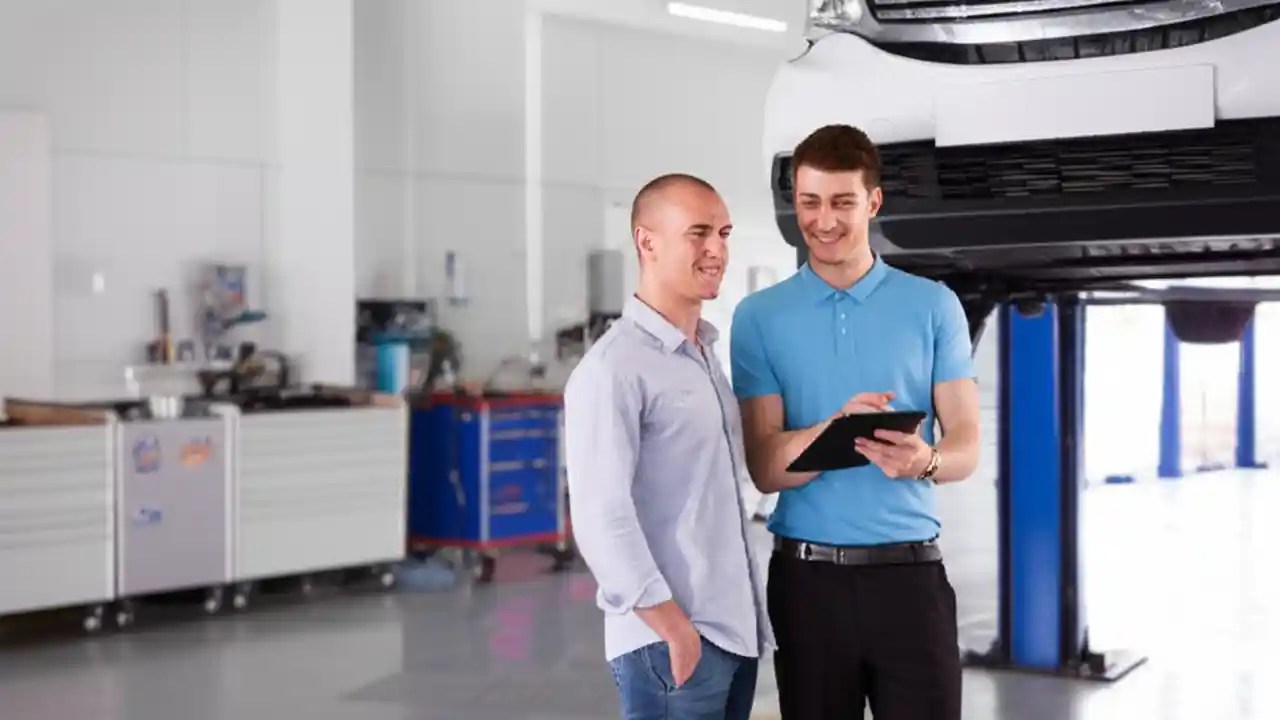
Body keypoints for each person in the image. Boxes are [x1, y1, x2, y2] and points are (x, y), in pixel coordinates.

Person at [730, 124, 981, 720]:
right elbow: (765, 468)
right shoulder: (759, 317)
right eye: (810, 201)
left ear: (873, 200)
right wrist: (833, 430)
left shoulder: (933, 305)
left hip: (912, 581)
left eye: (842, 202)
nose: (824, 220)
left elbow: (967, 444)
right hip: (807, 583)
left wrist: (928, 461)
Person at [564, 173, 773, 720]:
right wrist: (674, 630)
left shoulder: (702, 355)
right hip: (671, 642)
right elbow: (599, 515)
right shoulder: (614, 368)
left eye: (724, 233)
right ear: (647, 241)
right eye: (699, 233)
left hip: (730, 635)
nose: (717, 250)